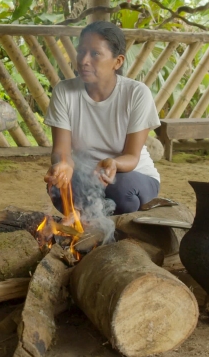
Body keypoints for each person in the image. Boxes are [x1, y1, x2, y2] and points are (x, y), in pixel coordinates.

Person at [43, 21, 161, 215]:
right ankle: (88, 224)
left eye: (95, 54)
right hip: (86, 177)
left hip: (131, 175)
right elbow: (61, 151)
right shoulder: (64, 91)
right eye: (81, 51)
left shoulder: (136, 93)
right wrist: (62, 165)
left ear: (118, 61)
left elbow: (132, 157)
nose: (83, 60)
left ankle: (97, 221)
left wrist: (114, 164)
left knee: (121, 191)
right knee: (60, 185)